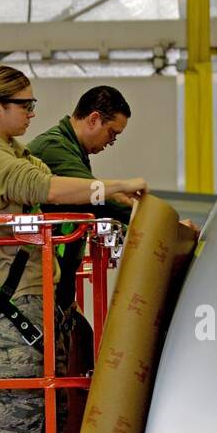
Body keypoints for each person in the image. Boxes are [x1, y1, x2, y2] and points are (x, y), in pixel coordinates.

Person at [0, 65, 146, 433]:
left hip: (36, 300)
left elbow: (52, 183)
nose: (33, 114)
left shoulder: (15, 150)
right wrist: (116, 187)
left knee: (49, 410)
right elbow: (43, 186)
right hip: (13, 303)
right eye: (26, 105)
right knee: (19, 411)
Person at [28, 85, 137, 312]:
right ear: (94, 119)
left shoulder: (72, 150)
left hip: (57, 285)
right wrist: (152, 221)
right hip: (39, 286)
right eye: (112, 133)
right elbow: (97, 199)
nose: (111, 142)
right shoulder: (54, 148)